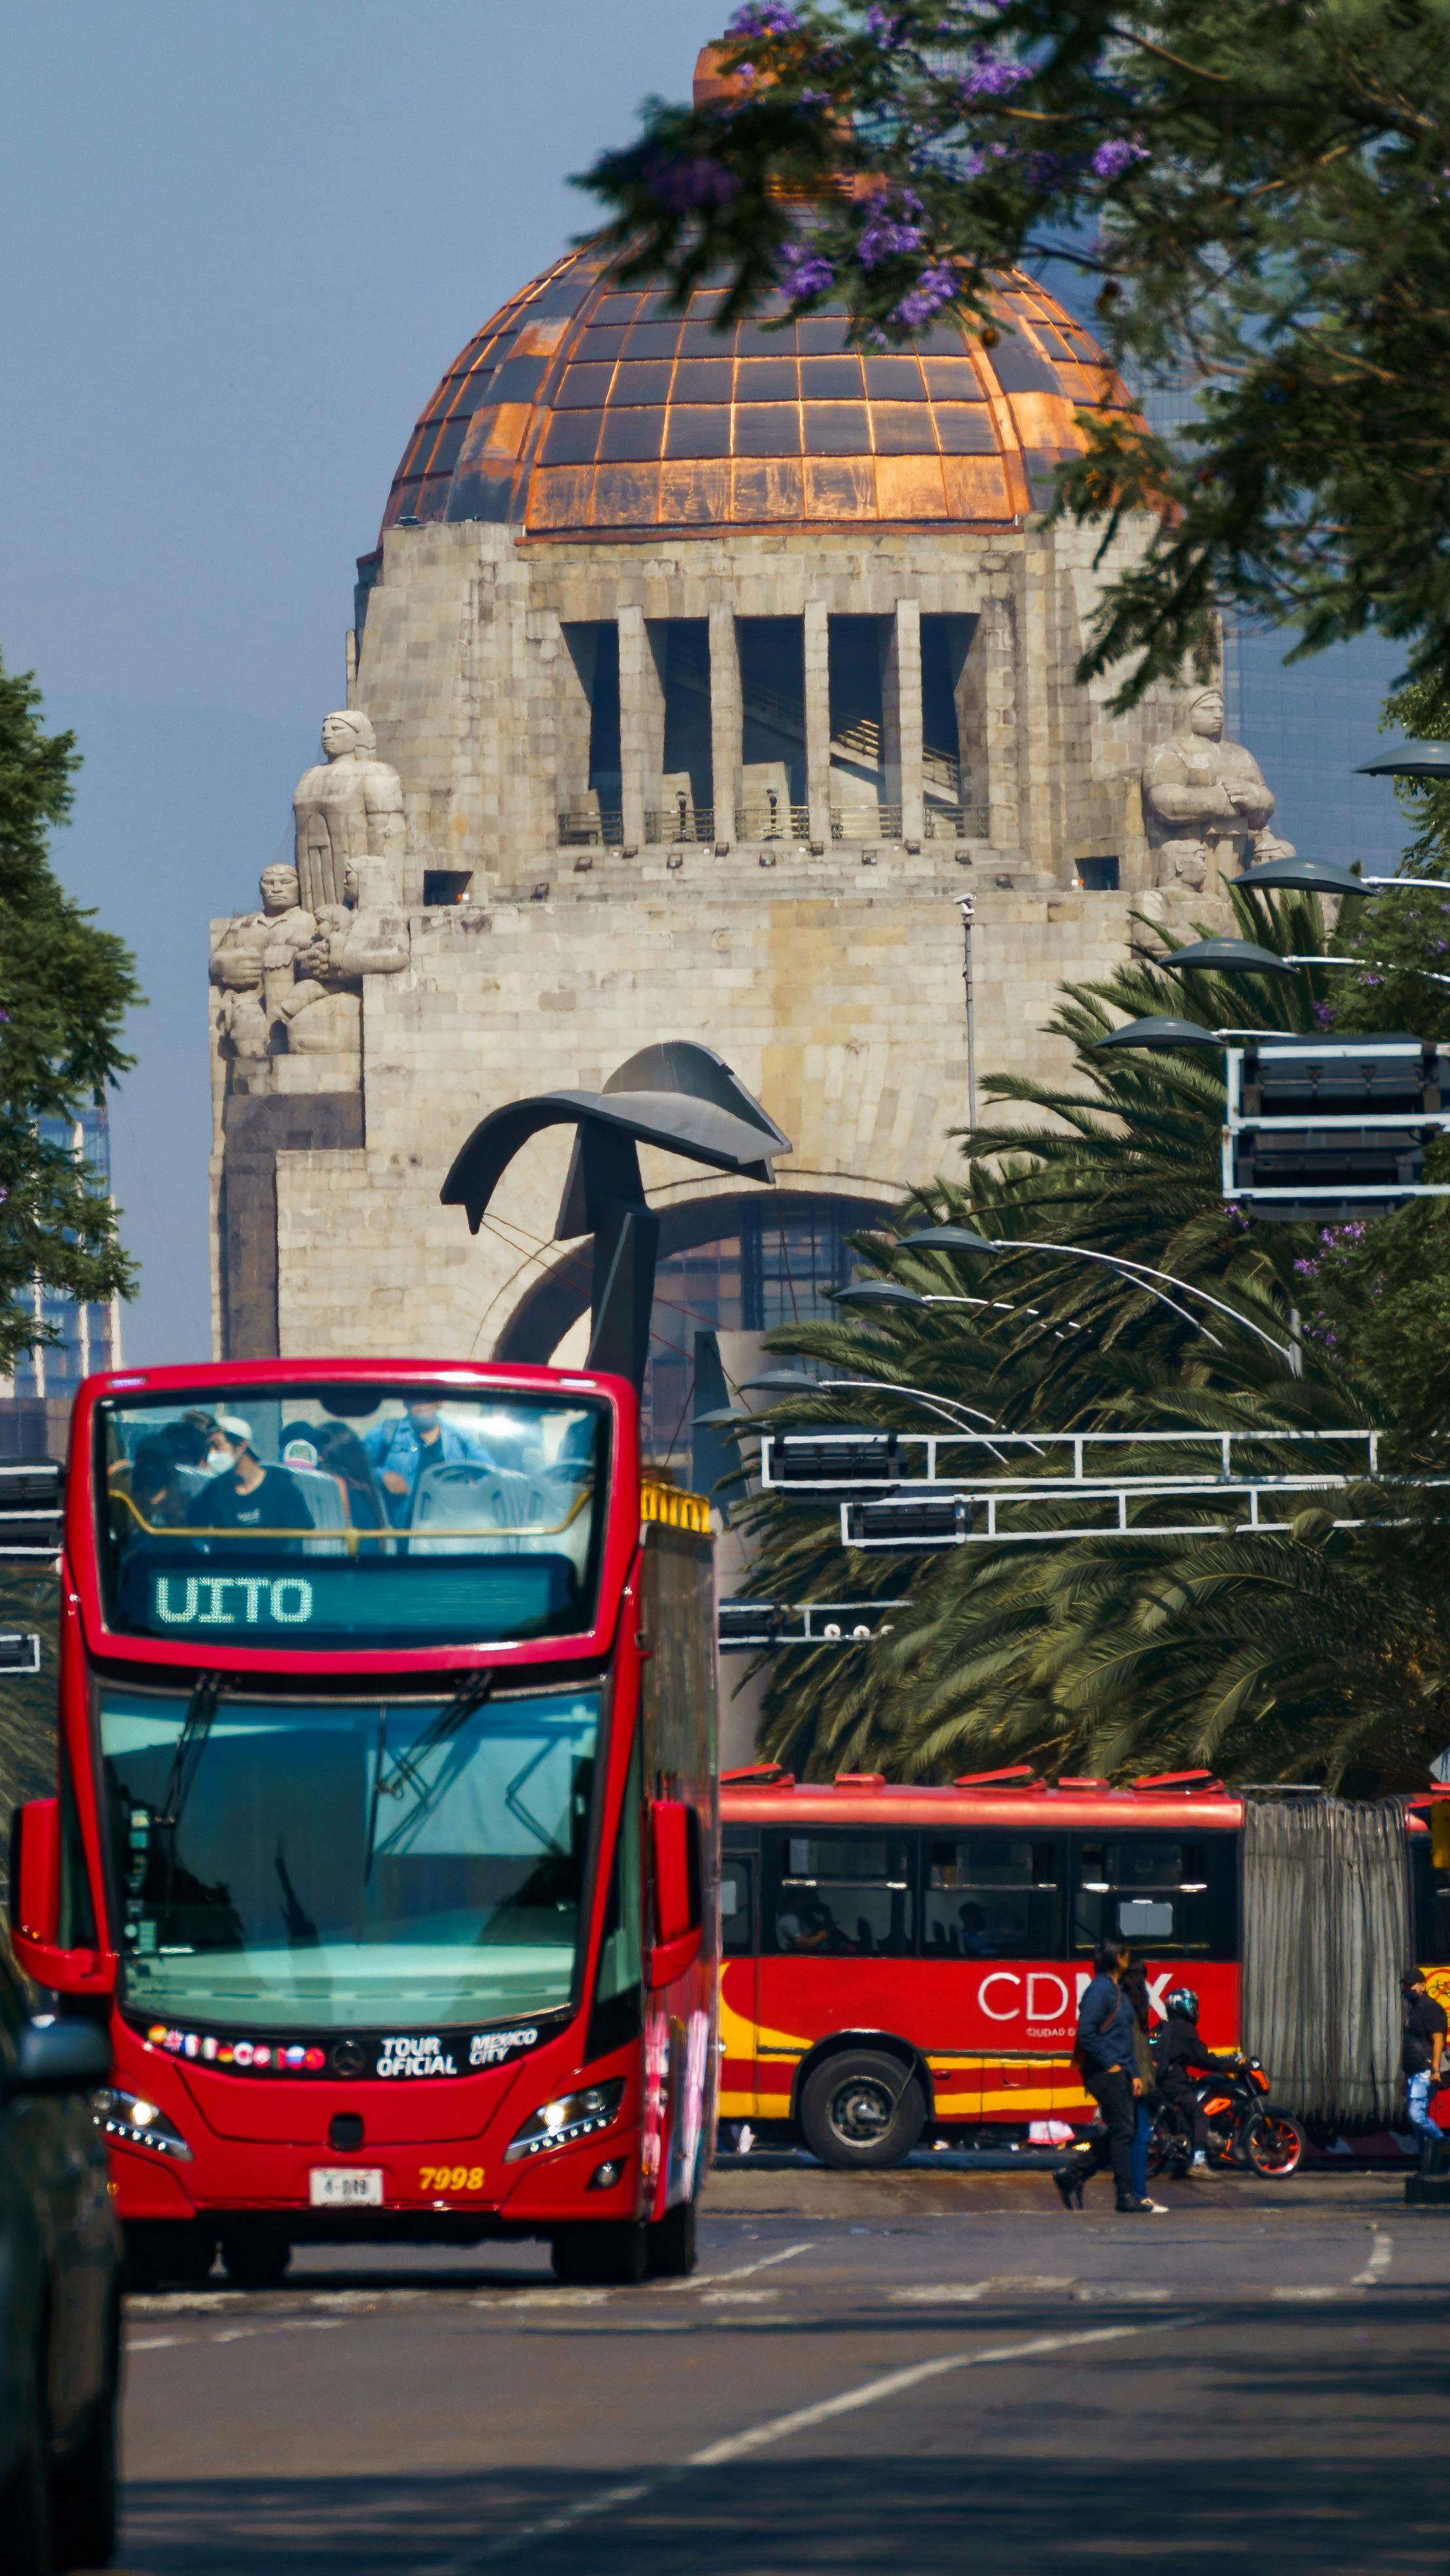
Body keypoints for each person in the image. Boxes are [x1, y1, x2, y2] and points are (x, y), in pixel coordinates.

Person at [1055, 1938, 1156, 2215]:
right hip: (1104, 2073)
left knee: (1121, 2132)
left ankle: (1072, 2174)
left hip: (1120, 2071)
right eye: (1127, 1954)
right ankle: (1124, 2195)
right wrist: (1110, 2064)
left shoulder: (1115, 1989)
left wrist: (1134, 2074)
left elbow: (1123, 2039)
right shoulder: (1100, 1990)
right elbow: (1086, 2033)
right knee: (1124, 2132)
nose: (1130, 1959)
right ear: (1119, 1958)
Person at [183, 1415, 308, 1558]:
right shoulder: (215, 1489)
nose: (211, 1455)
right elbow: (193, 1527)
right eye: (209, 1448)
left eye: (217, 1446)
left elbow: (295, 1543)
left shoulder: (281, 1487)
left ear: (241, 1445)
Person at [362, 1401, 487, 1529]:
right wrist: (382, 1476)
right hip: (398, 1530)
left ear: (440, 1402)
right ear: (406, 1402)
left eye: (429, 1396)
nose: (422, 1402)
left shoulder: (460, 1437)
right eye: (416, 1396)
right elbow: (355, 1466)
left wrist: (471, 1487)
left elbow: (488, 1473)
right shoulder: (386, 1431)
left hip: (446, 1528)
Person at [1155, 1987, 1238, 2171]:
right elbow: (1202, 2059)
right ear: (1187, 2006)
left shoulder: (1163, 2027)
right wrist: (1232, 2065)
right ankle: (1199, 2163)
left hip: (1159, 2082)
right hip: (1173, 2084)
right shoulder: (1185, 2030)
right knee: (1201, 2117)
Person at [1123, 1963, 1167, 2211]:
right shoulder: (1133, 2011)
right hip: (1134, 2081)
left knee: (1126, 2136)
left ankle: (1132, 2193)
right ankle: (1139, 2195)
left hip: (1129, 2079)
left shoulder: (1122, 2007)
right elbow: (1132, 2050)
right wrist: (1138, 2075)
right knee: (1140, 2136)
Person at [1402, 1969, 1448, 2163]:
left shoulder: (1431, 2008)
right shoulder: (1416, 2009)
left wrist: (1436, 2070)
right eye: (1405, 1986)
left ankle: (1443, 2144)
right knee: (1418, 2123)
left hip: (1426, 2071)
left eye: (1410, 1985)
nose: (1406, 1989)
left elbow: (1438, 2040)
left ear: (1422, 1985)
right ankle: (1427, 2163)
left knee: (1416, 2116)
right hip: (1415, 2072)